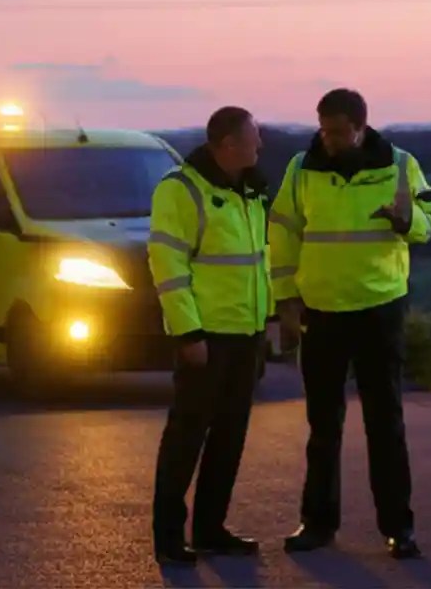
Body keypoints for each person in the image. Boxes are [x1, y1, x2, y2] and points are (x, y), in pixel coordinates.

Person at [267, 87, 431, 559]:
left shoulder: (400, 165)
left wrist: (409, 222)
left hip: (379, 310)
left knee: (384, 423)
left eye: (338, 132)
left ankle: (398, 527)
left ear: (361, 128)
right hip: (322, 311)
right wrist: (284, 299)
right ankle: (317, 523)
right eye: (323, 130)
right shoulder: (300, 168)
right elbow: (283, 232)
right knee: (322, 425)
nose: (327, 140)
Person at [148, 105, 278, 565]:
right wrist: (188, 332)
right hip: (207, 335)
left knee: (230, 434)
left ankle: (210, 528)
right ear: (227, 145)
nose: (259, 146)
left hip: (247, 331)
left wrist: (271, 319)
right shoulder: (181, 190)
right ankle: (168, 536)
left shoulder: (251, 191)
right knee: (187, 435)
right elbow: (168, 266)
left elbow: (259, 260)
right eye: (252, 138)